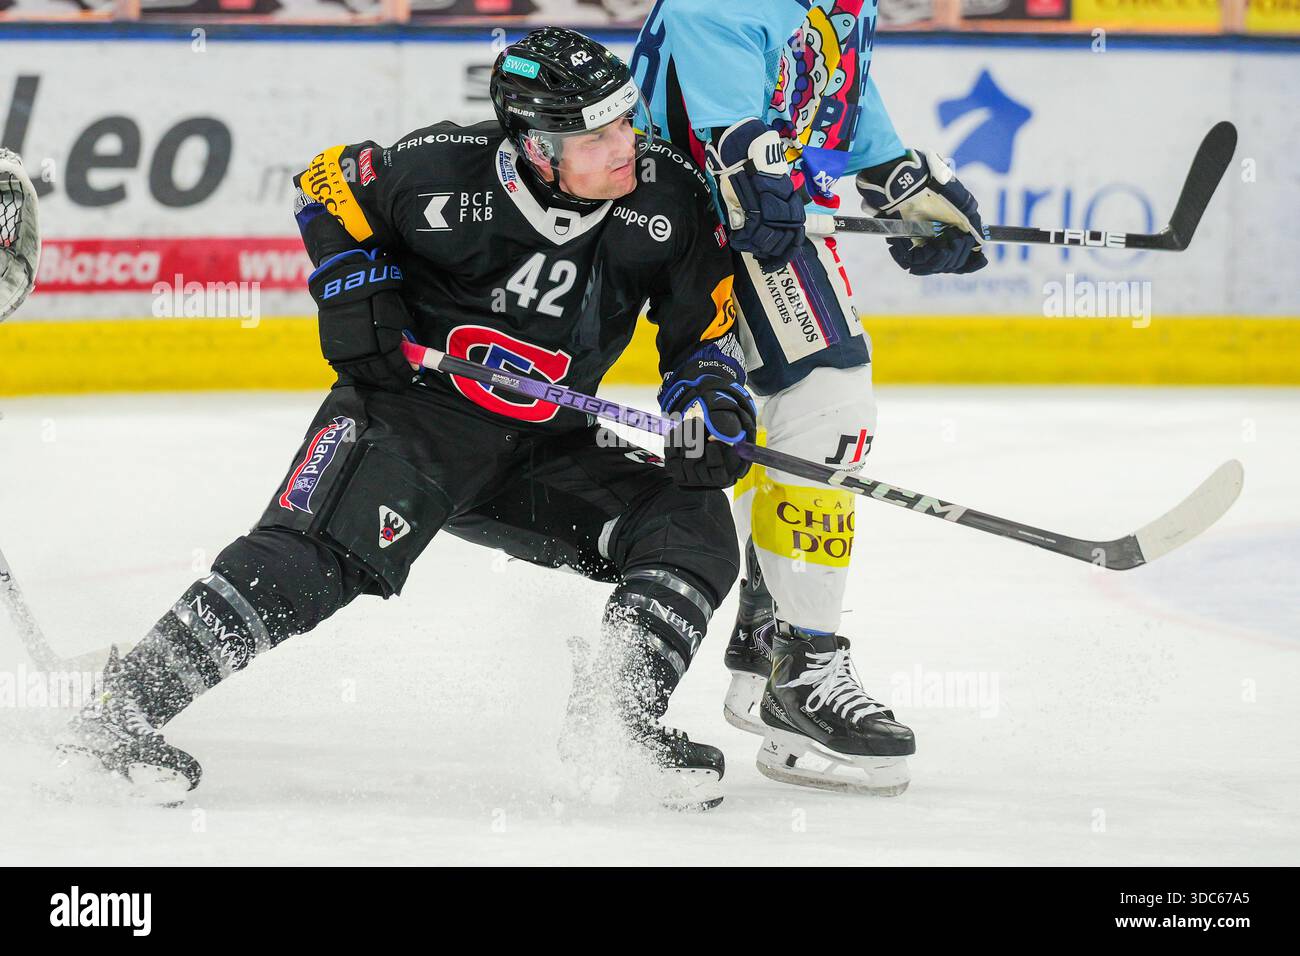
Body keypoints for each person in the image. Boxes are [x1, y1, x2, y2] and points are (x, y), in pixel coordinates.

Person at [59, 27, 756, 811]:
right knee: (310, 559)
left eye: (626, 123)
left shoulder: (669, 199)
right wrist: (355, 282)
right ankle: (117, 714)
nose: (624, 147)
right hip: (409, 421)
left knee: (689, 518)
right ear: (533, 146)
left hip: (545, 445)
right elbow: (323, 183)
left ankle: (617, 719)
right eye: (594, 136)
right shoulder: (438, 167)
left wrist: (711, 405)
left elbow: (702, 339)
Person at [632, 0, 989, 795]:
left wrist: (895, 175)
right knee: (826, 402)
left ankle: (770, 652)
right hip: (690, 216)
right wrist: (761, 175)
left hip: (722, 212)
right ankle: (802, 668)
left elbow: (827, 88)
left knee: (789, 429)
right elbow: (735, 155)